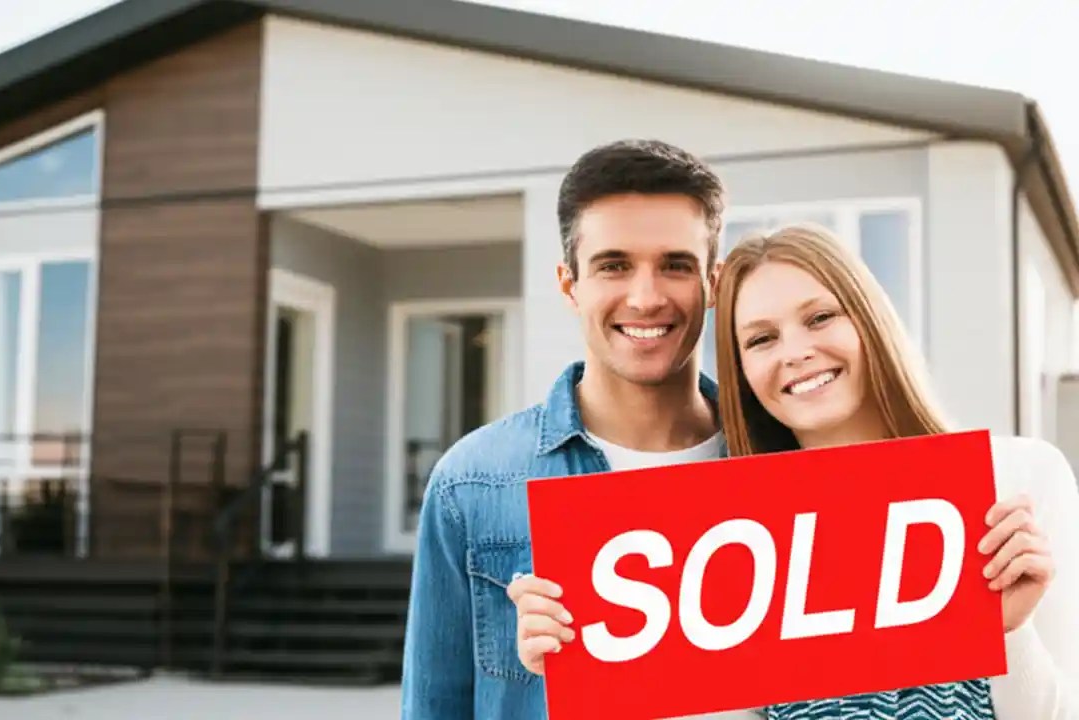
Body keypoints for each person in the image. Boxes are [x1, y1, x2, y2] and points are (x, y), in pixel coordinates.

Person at [509, 223, 1079, 719]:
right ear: (743, 373)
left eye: (820, 317)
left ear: (869, 322)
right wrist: (584, 656)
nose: (796, 351)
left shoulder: (1017, 479)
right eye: (762, 339)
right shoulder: (736, 536)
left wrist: (1006, 631)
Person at [399, 139, 730, 720]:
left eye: (676, 265)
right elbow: (433, 708)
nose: (646, 297)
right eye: (614, 265)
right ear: (569, 284)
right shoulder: (471, 484)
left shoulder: (785, 460)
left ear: (715, 281)